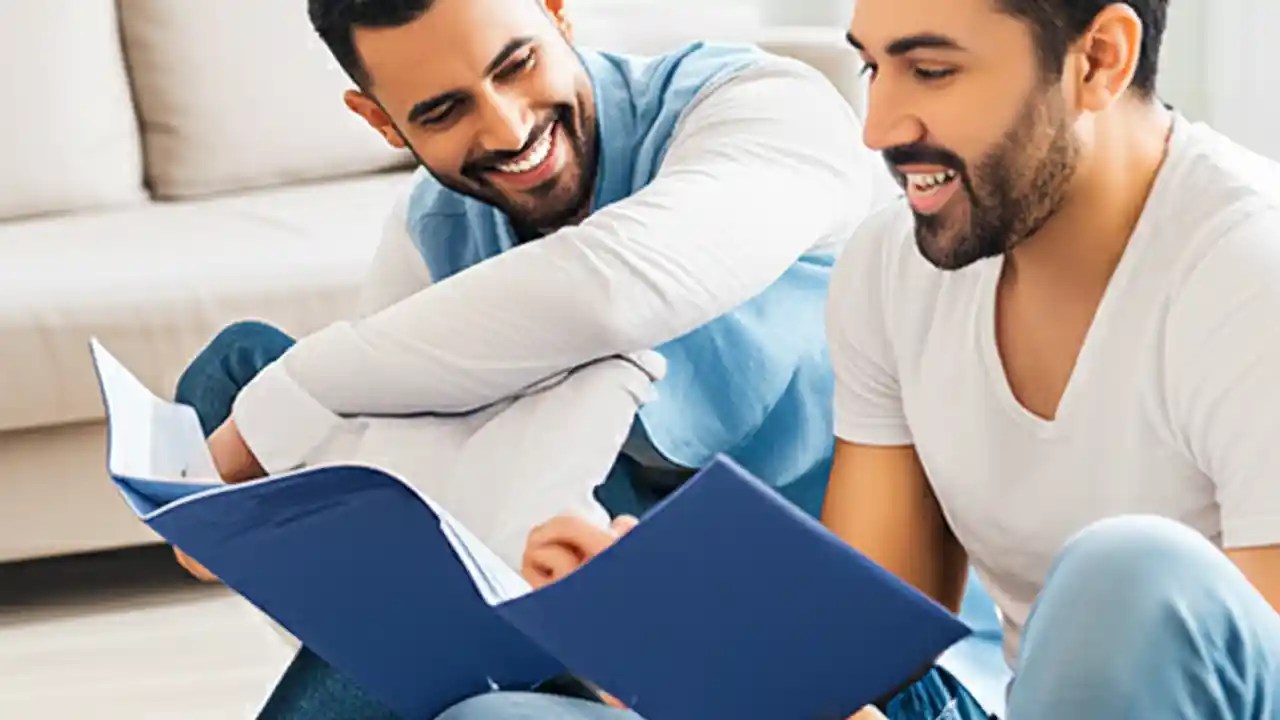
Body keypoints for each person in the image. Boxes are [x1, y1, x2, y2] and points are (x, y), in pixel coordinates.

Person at [438, 0, 1280, 718]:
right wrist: (661, 626)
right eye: (874, 68)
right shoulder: (893, 264)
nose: (879, 128)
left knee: (1130, 574)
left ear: (1098, 59)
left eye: (933, 71)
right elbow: (861, 650)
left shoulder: (1250, 275)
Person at [170, 0, 984, 717]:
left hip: (838, 631)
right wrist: (234, 509)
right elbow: (397, 485)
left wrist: (282, 405)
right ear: (383, 123)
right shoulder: (433, 229)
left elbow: (616, 289)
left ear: (557, 10)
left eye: (516, 65)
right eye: (445, 110)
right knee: (237, 370)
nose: (507, 128)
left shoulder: (765, 109)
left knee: (285, 410)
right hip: (592, 585)